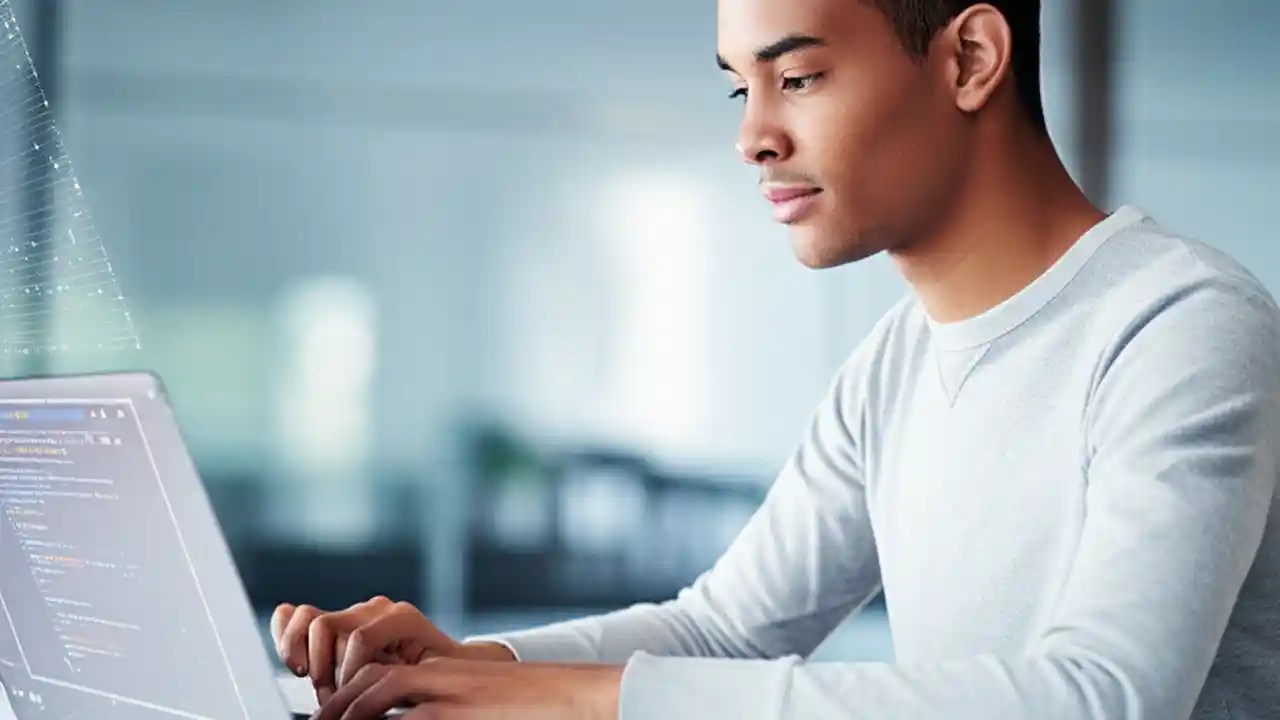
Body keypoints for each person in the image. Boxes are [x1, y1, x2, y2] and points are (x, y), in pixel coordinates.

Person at [272, 0, 1280, 718]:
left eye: (794, 78)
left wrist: (579, 701)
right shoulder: (889, 366)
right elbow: (724, 631)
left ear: (969, 58)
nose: (752, 136)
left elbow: (1100, 698)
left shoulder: (1178, 323)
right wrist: (467, 664)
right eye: (737, 90)